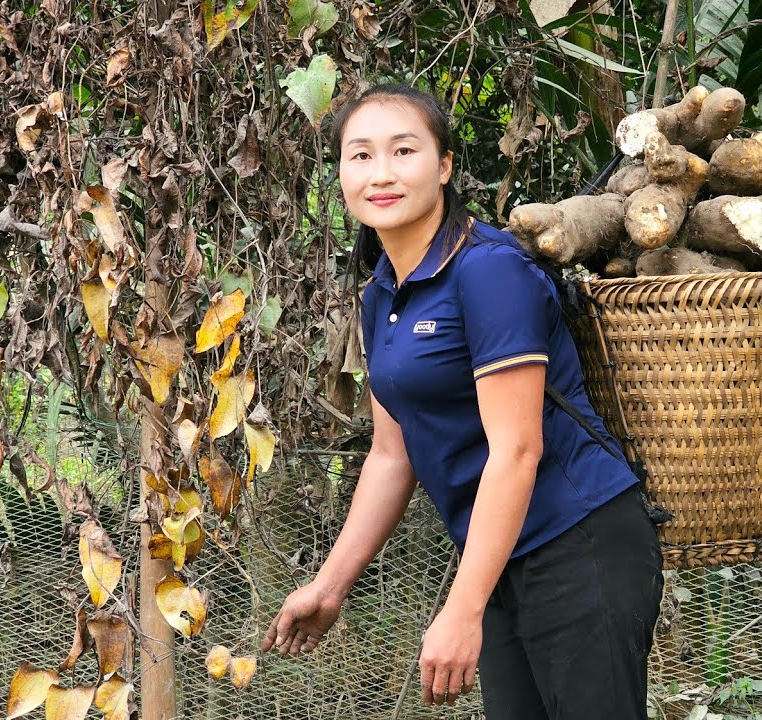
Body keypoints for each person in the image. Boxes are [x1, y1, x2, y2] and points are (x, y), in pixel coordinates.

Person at [261, 83, 664, 720]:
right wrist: (330, 586)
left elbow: (518, 448)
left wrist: (462, 607)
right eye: (360, 156)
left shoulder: (487, 271)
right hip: (501, 557)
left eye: (404, 152)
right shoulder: (382, 295)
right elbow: (392, 457)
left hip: (578, 541)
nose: (381, 174)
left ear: (445, 166)